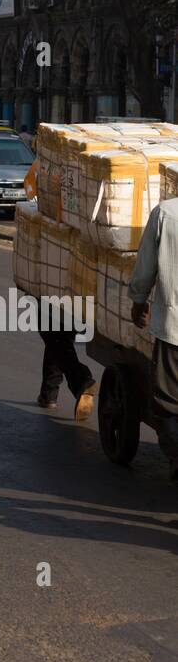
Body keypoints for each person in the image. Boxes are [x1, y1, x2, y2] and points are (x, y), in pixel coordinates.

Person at [129, 197, 178, 476]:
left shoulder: (166, 213)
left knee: (168, 407)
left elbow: (145, 266)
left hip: (174, 332)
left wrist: (139, 300)